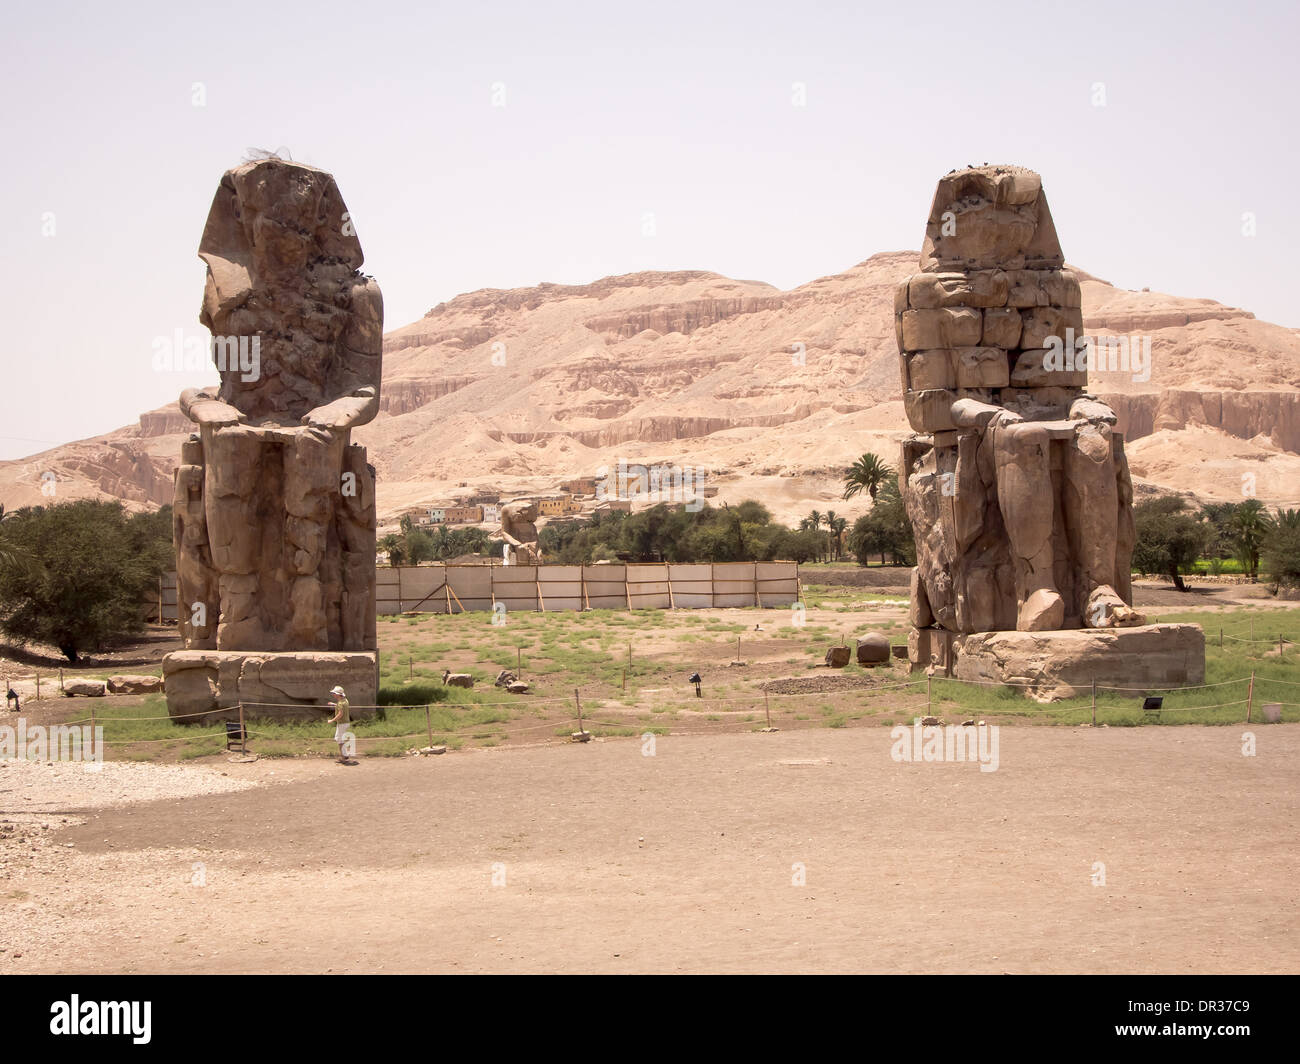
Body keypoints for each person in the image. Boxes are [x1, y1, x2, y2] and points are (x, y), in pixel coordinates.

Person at [327, 685, 353, 764]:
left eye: (334, 693)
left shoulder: (341, 703)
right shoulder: (345, 700)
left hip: (342, 723)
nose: (333, 694)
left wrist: (332, 720)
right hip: (345, 723)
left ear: (338, 694)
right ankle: (344, 755)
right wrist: (334, 704)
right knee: (340, 739)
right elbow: (342, 707)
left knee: (339, 740)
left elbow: (340, 714)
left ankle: (343, 757)